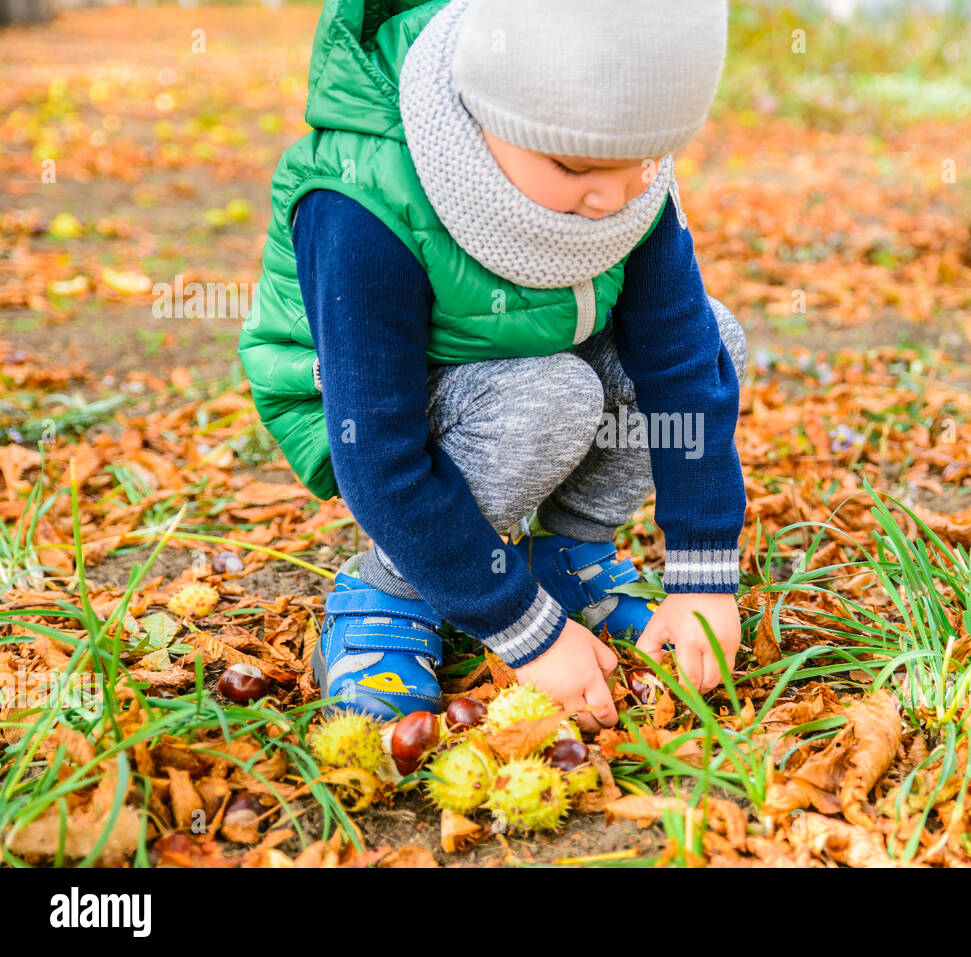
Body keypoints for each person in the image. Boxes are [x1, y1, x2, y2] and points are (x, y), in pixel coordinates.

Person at [238, 0, 747, 732]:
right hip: (372, 404)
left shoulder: (622, 187)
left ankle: (567, 557)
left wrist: (704, 571)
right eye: (575, 167)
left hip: (522, 360)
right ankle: (392, 586)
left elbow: (682, 362)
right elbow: (377, 453)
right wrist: (523, 631)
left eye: (644, 164)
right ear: (485, 118)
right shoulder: (362, 205)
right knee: (552, 393)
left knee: (715, 336)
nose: (611, 198)